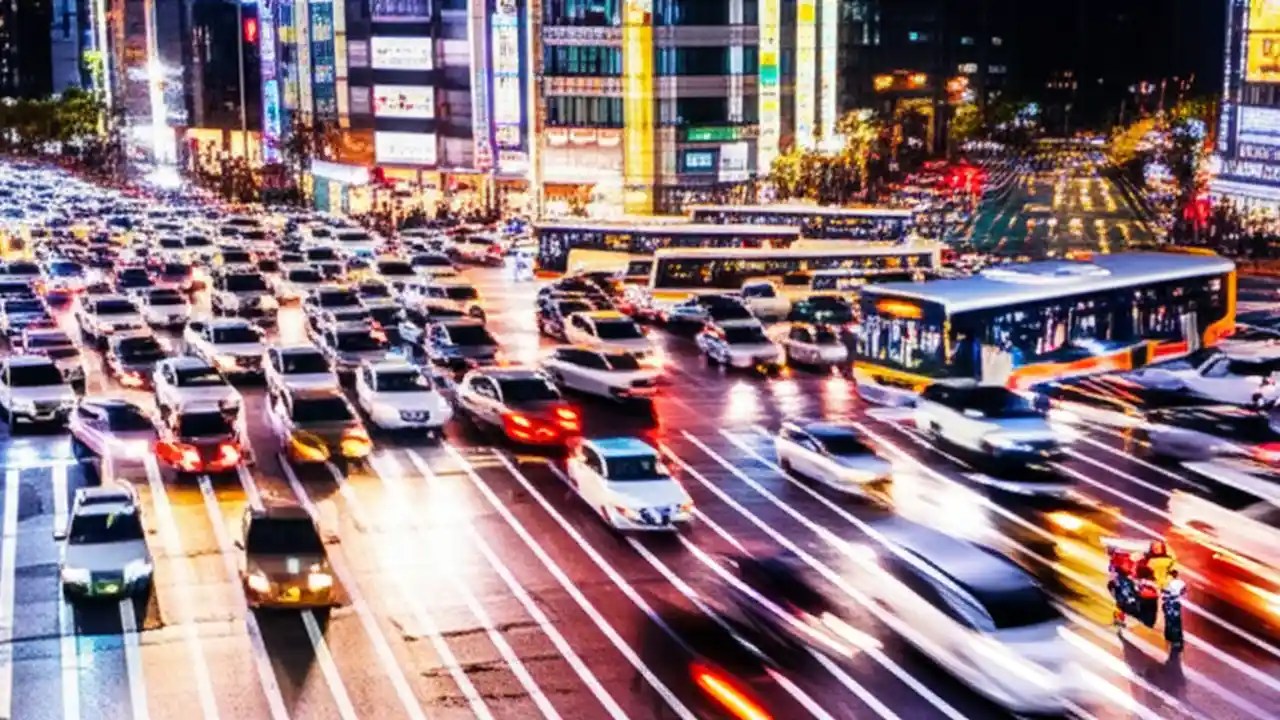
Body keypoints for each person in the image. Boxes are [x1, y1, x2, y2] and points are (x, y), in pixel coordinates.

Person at [1162, 569, 1187, 651]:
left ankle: (1170, 637)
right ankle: (1177, 639)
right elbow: (1184, 593)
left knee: (1169, 621)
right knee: (1176, 621)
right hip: (1176, 604)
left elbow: (1164, 594)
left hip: (1168, 605)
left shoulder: (1167, 583)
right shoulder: (1181, 583)